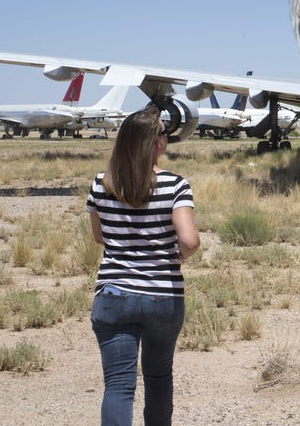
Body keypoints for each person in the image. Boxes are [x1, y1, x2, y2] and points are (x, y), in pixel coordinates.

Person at [87, 105, 200, 426]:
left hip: (113, 295)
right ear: (155, 143)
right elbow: (189, 241)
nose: (167, 137)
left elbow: (99, 237)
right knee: (158, 377)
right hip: (163, 296)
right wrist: (170, 258)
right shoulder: (176, 185)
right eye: (164, 132)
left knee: (119, 386)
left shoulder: (101, 183)